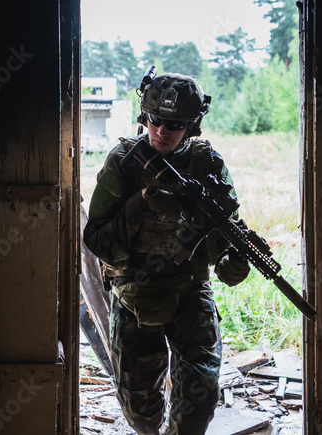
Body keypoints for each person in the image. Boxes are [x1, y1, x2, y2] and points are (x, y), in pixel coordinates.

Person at [82, 71, 251, 435]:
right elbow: (95, 239)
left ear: (192, 126)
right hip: (132, 292)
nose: (162, 131)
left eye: (174, 124)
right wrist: (140, 205)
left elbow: (225, 238)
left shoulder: (207, 166)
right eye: (156, 120)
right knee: (140, 409)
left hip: (189, 287)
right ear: (144, 116)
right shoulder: (124, 164)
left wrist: (232, 264)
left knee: (200, 394)